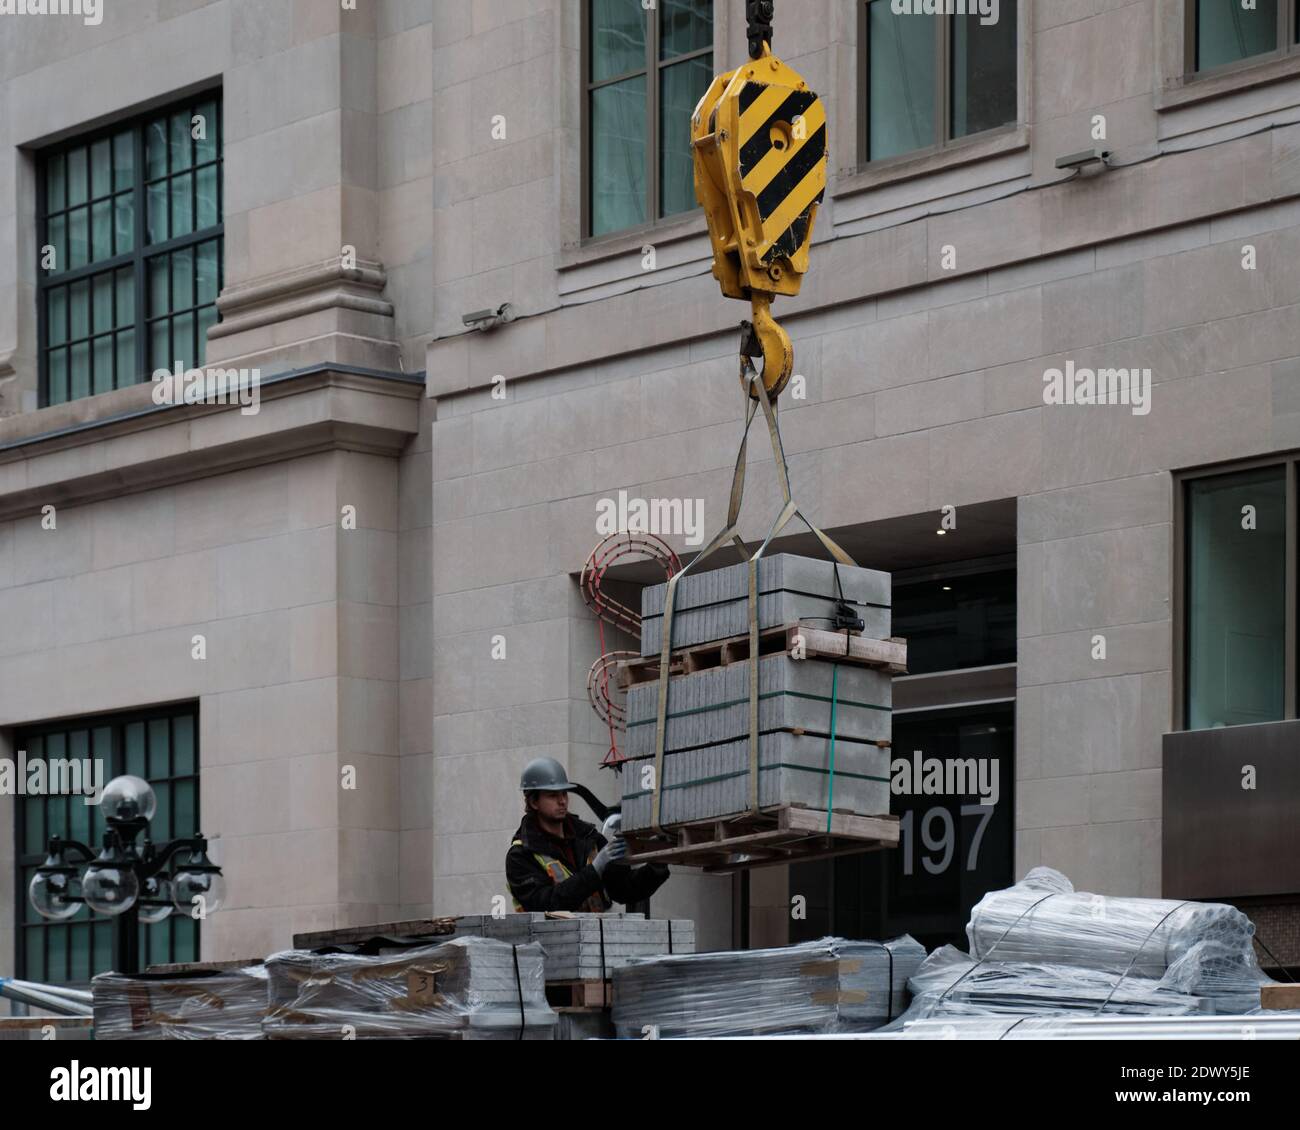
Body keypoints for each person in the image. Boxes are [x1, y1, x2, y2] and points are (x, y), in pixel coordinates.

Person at [506, 756, 670, 913]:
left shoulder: (589, 837)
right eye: (553, 796)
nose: (562, 801)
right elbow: (547, 904)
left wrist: (655, 868)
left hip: (595, 937)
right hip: (550, 940)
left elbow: (624, 890)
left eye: (564, 794)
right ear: (534, 802)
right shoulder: (521, 855)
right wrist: (595, 869)